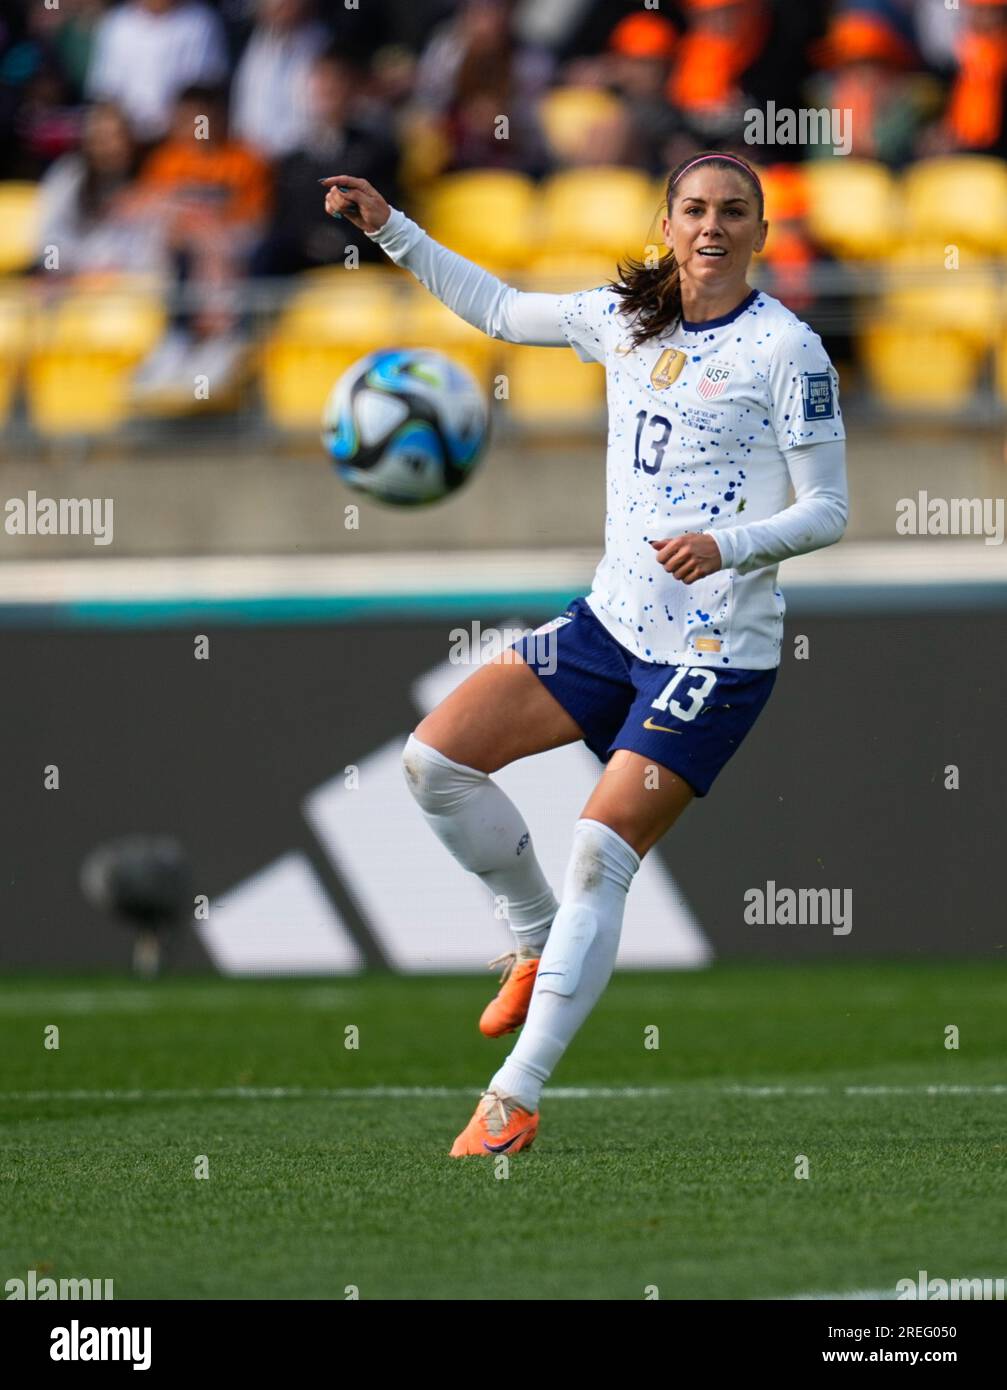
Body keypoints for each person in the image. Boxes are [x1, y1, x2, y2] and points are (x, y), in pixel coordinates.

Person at [321, 151, 848, 1156]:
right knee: (433, 762)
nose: (711, 226)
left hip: (712, 652)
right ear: (666, 222)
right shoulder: (623, 317)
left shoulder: (788, 351)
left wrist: (728, 546)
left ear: (758, 234)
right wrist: (390, 227)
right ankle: (529, 933)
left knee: (598, 852)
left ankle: (514, 1095)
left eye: (732, 211)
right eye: (693, 208)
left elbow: (828, 508)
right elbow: (497, 309)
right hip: (609, 626)